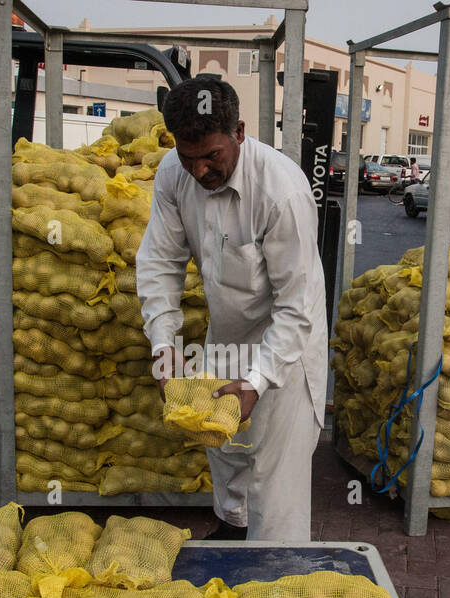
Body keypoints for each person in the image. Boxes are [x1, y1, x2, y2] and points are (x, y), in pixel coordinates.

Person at [136, 78, 327, 543]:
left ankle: (275, 579)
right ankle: (232, 539)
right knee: (227, 462)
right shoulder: (172, 174)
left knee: (274, 486)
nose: (199, 171)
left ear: (239, 132)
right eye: (188, 157)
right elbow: (160, 264)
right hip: (227, 338)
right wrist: (164, 345)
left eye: (212, 157)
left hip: (287, 348)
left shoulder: (282, 192)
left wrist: (257, 381)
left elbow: (295, 307)